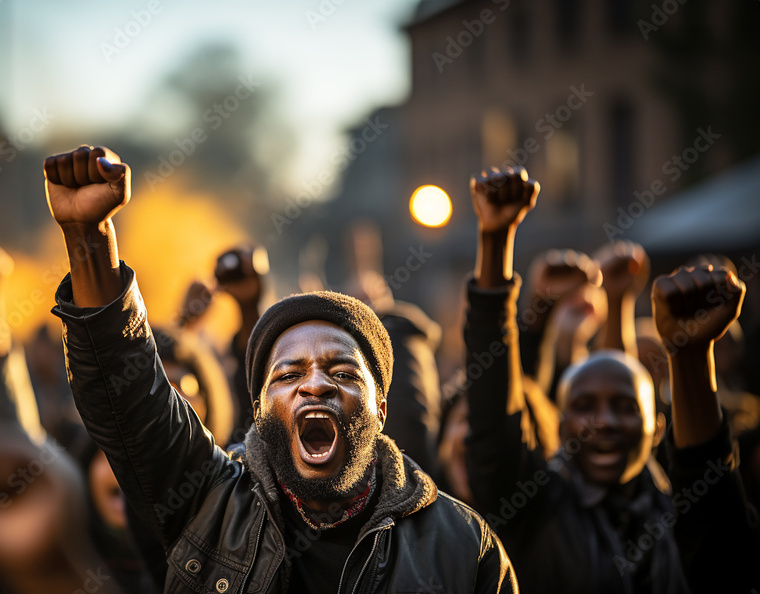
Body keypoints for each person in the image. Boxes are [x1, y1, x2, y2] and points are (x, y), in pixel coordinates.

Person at [44, 145, 517, 593]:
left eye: (344, 373)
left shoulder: (463, 546)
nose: (314, 384)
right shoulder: (207, 504)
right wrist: (90, 237)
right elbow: (130, 401)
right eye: (288, 375)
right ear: (258, 409)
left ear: (382, 407)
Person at [462, 166, 760, 593]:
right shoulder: (528, 506)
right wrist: (494, 241)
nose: (603, 421)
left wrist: (690, 355)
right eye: (583, 406)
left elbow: (720, 551)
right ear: (559, 426)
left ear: (657, 427)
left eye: (625, 407)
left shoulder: (684, 511)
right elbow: (494, 416)